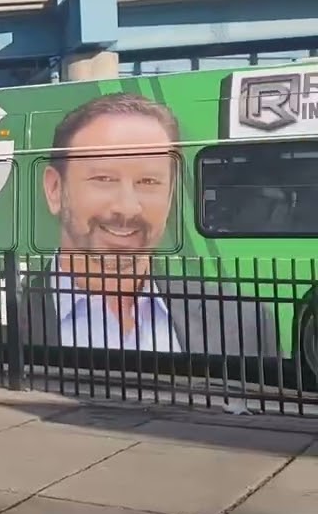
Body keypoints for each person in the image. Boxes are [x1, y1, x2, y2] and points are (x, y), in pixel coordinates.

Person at [23, 92, 277, 357]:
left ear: (170, 194)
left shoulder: (244, 322)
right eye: (104, 179)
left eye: (148, 182)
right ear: (54, 189)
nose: (127, 208)